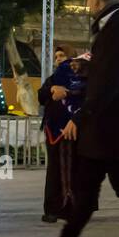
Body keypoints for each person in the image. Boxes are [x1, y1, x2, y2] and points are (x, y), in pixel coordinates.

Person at [25, 0, 119, 237]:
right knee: (86, 189)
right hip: (106, 130)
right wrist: (88, 67)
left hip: (116, 131)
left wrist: (79, 117)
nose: (86, 3)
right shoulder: (112, 27)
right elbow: (108, 72)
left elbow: (111, 83)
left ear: (97, 0)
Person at [37, 51, 88, 223]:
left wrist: (68, 93)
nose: (59, 59)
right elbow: (41, 95)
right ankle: (52, 209)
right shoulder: (54, 78)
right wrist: (51, 89)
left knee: (74, 169)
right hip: (53, 129)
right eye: (57, 56)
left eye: (62, 55)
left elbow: (90, 97)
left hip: (75, 130)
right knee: (54, 170)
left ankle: (72, 208)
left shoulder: (86, 78)